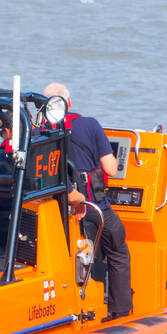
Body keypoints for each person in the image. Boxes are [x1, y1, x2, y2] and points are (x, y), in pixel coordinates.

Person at [45, 82, 132, 320]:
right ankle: (120, 311)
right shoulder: (89, 125)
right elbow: (111, 169)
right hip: (93, 207)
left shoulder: (37, 131)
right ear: (69, 102)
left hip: (55, 209)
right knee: (118, 248)